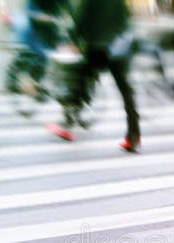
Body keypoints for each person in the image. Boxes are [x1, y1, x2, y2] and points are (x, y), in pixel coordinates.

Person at [48, 0, 141, 152]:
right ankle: (133, 134)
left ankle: (67, 124)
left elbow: (80, 19)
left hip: (97, 47)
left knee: (80, 77)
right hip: (118, 47)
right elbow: (125, 17)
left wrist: (73, 39)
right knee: (125, 89)